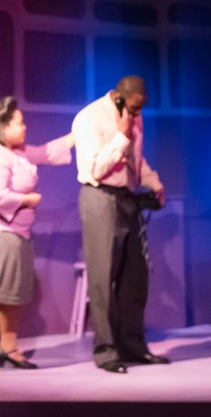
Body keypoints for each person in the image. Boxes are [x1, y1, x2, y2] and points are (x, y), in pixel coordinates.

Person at [0, 96, 73, 376]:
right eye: (19, 123)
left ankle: (8, 348)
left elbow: (45, 152)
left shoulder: (18, 152)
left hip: (15, 231)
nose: (25, 126)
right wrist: (29, 199)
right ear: (2, 127)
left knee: (11, 292)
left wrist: (76, 135)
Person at [71, 75, 167, 374]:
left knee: (135, 277)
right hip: (100, 196)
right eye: (134, 108)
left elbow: (135, 161)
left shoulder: (135, 117)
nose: (138, 115)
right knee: (103, 279)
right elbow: (95, 168)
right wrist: (122, 135)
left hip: (128, 197)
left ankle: (133, 347)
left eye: (141, 109)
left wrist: (153, 182)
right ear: (119, 98)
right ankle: (106, 351)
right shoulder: (89, 118)